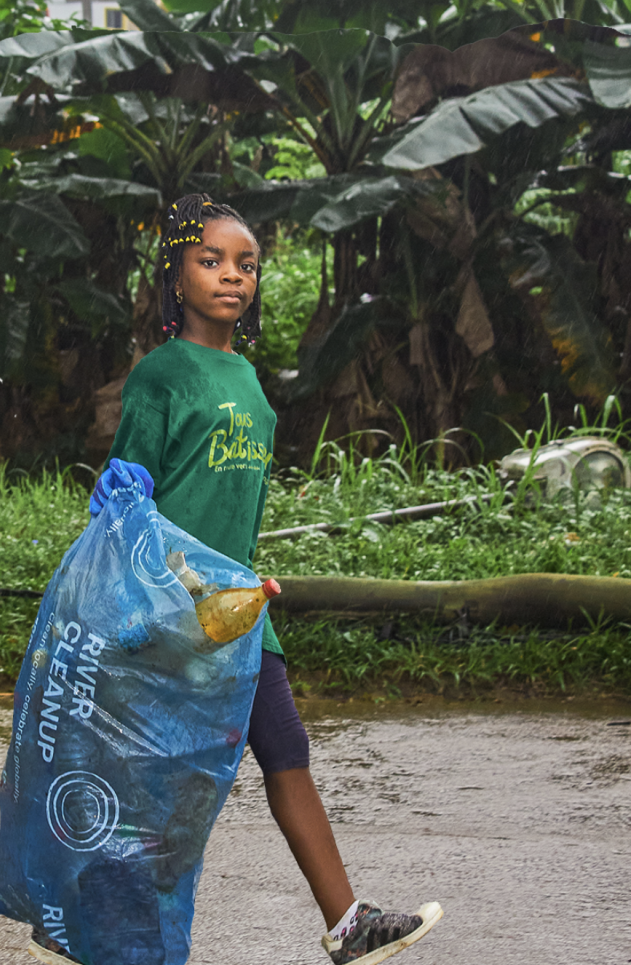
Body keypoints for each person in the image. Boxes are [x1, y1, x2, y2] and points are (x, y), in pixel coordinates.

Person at [38, 193, 442, 965]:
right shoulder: (160, 376)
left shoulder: (250, 382)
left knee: (286, 750)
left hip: (238, 610)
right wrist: (157, 591)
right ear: (176, 275)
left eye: (246, 264)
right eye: (211, 260)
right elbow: (129, 503)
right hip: (171, 617)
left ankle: (348, 925)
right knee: (155, 782)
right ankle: (88, 923)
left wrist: (248, 577)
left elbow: (232, 509)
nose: (232, 276)